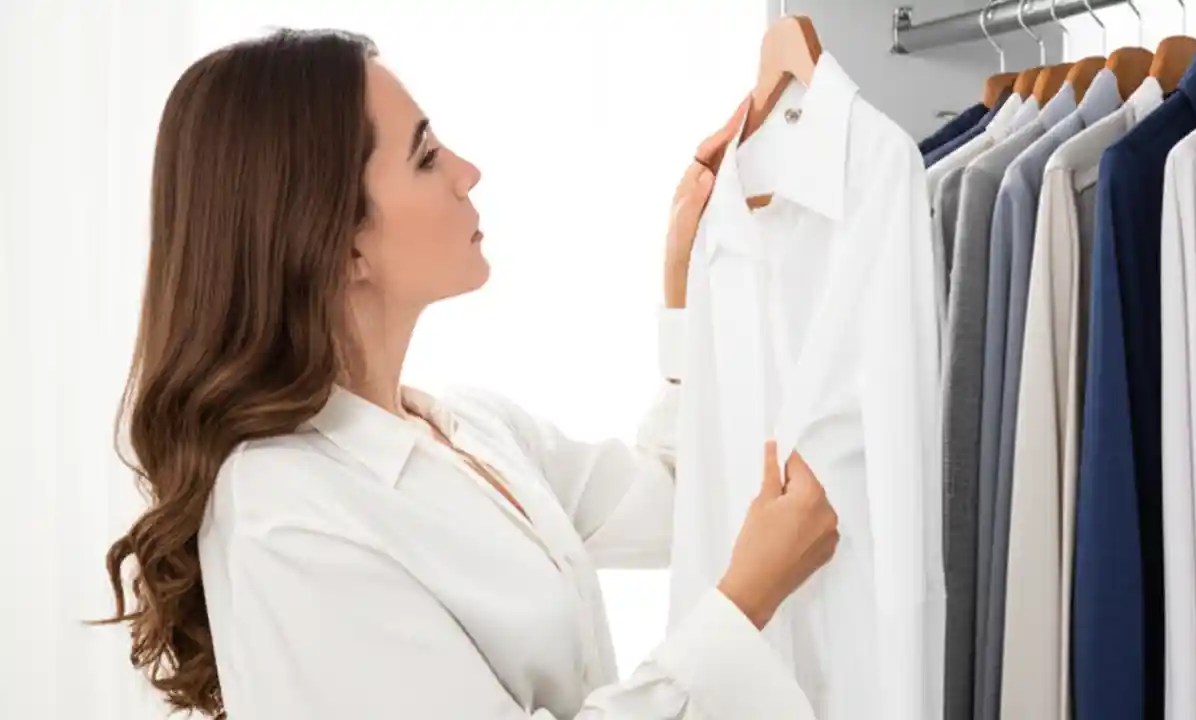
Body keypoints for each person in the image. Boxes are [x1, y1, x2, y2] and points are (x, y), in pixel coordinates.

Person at [95, 28, 839, 719]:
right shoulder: (285, 515)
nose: (467, 172)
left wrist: (682, 282)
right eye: (425, 156)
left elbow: (677, 497)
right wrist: (744, 603)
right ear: (335, 242)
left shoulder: (468, 429)